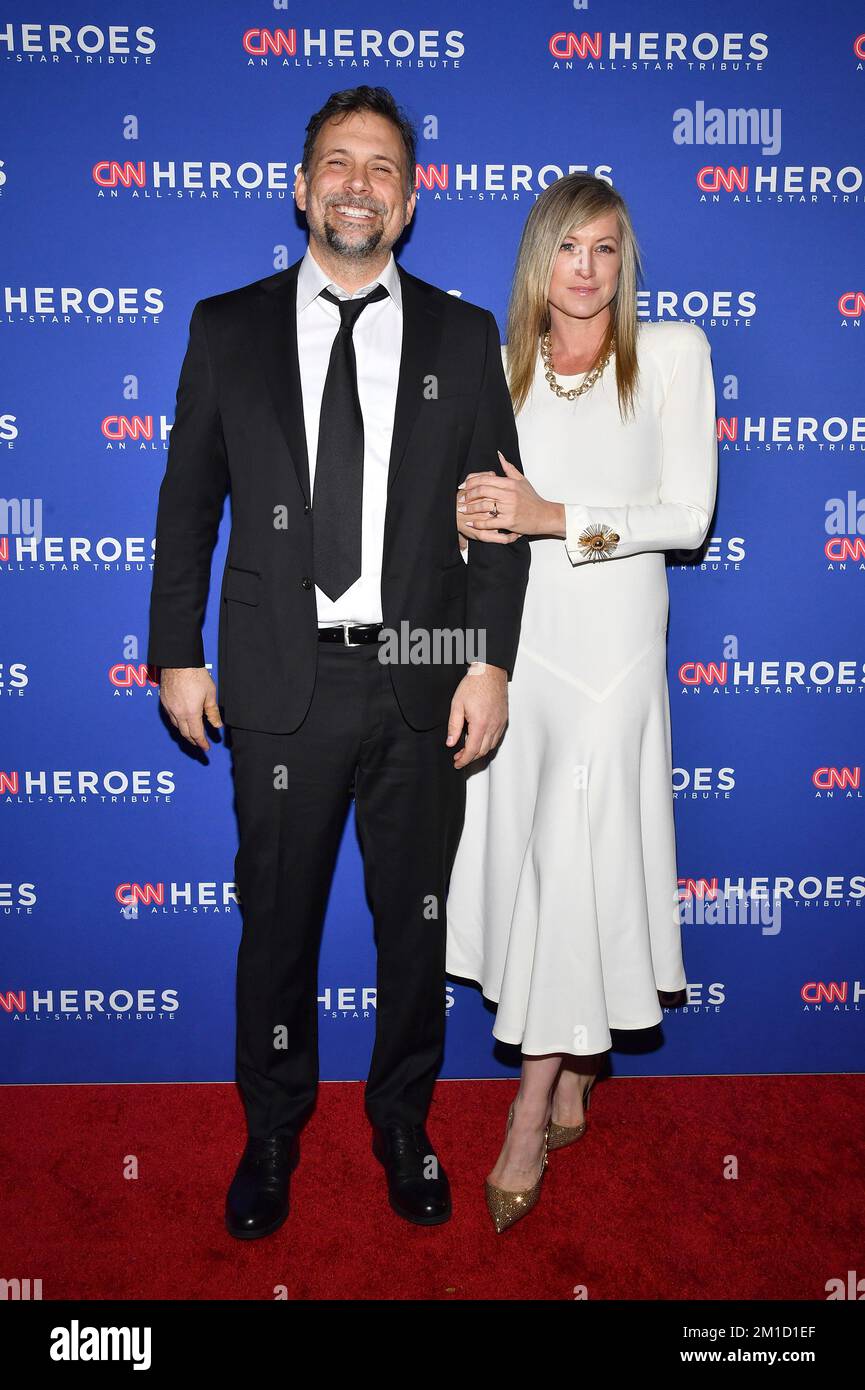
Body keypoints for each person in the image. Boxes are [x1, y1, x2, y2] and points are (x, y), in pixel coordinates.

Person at [147, 85, 530, 1239]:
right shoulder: (228, 327)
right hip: (277, 682)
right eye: (337, 163)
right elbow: (185, 508)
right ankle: (271, 1134)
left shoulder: (461, 340)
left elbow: (497, 519)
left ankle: (403, 1124)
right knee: (277, 928)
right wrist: (175, 653)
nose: (357, 183)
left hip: (420, 675)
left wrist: (489, 663)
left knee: (412, 931)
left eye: (381, 168)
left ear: (409, 202)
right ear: (301, 186)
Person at [446, 172, 718, 1233]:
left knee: (576, 854)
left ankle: (524, 1115)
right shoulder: (502, 369)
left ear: (625, 259)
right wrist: (472, 520)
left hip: (610, 653)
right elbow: (478, 512)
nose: (588, 269)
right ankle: (572, 1066)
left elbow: (686, 515)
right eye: (570, 247)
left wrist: (554, 513)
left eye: (607, 248)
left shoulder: (672, 356)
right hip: (524, 650)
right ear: (539, 259)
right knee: (546, 863)